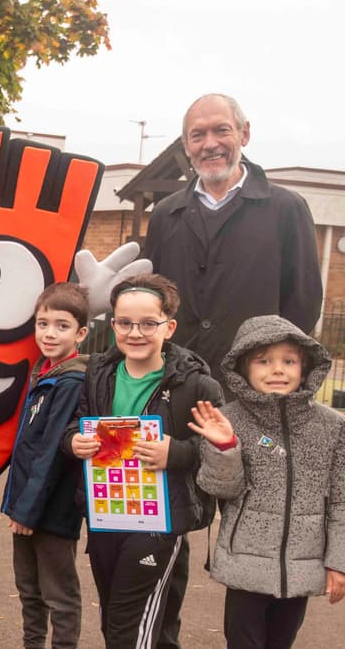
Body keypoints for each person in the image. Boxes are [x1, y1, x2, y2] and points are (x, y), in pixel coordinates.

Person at [140, 93, 323, 648]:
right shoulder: (168, 213)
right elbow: (155, 301)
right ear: (185, 145)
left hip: (258, 398)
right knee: (166, 526)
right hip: (182, 392)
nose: (210, 143)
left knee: (261, 532)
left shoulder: (287, 209)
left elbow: (302, 304)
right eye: (197, 135)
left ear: (245, 132)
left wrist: (275, 377)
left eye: (220, 130)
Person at [61, 273, 222, 649]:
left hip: (160, 521)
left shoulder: (195, 383)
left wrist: (177, 452)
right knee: (123, 618)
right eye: (125, 322)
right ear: (113, 322)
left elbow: (221, 451)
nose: (136, 332)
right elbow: (74, 423)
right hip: (107, 512)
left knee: (128, 626)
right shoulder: (99, 372)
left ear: (169, 327)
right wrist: (74, 442)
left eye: (148, 323)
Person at [191, 315, 345, 649]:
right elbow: (221, 489)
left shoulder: (333, 426)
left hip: (302, 566)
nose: (277, 370)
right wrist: (225, 447)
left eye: (289, 361)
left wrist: (341, 562)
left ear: (304, 368)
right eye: (264, 361)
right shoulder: (227, 420)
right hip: (245, 564)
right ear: (243, 368)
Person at [0, 282, 89, 649]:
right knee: (29, 589)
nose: (50, 333)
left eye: (62, 325)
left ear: (81, 333)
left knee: (59, 595)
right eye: (43, 323)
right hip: (27, 506)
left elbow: (51, 452)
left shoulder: (71, 380)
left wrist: (26, 511)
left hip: (51, 511)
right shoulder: (45, 373)